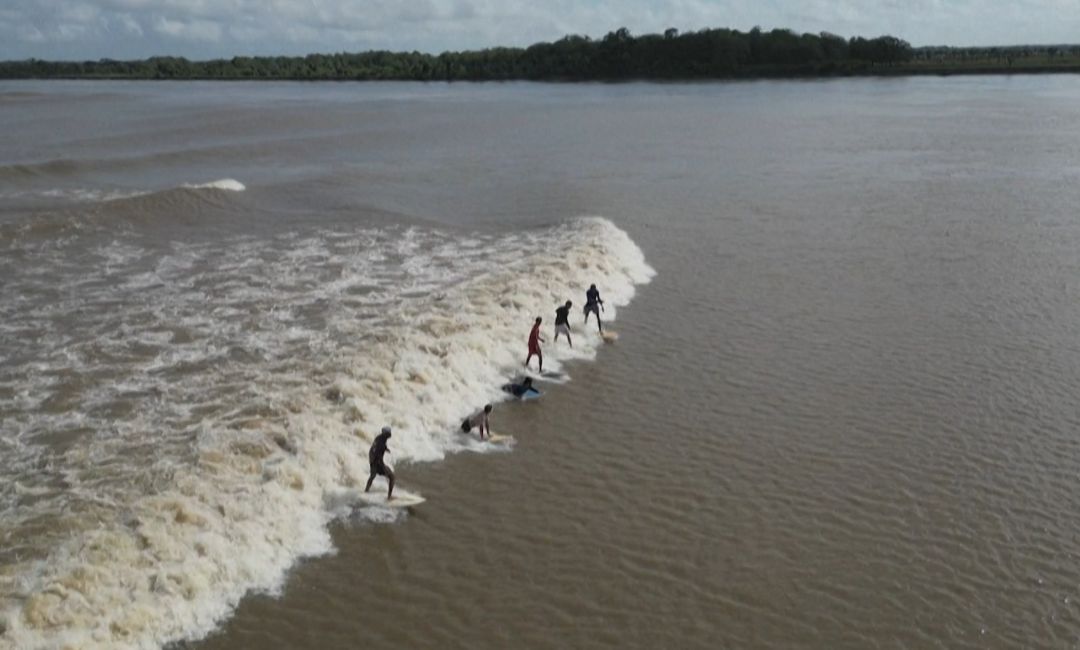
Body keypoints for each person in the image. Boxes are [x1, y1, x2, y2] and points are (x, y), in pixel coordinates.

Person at [365, 426, 395, 499]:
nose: (390, 434)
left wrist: (385, 449)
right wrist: (382, 466)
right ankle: (389, 496)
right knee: (392, 477)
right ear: (385, 434)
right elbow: (378, 454)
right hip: (377, 462)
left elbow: (373, 449)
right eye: (389, 433)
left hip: (372, 460)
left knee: (372, 476)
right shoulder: (381, 443)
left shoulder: (379, 438)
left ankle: (366, 491)